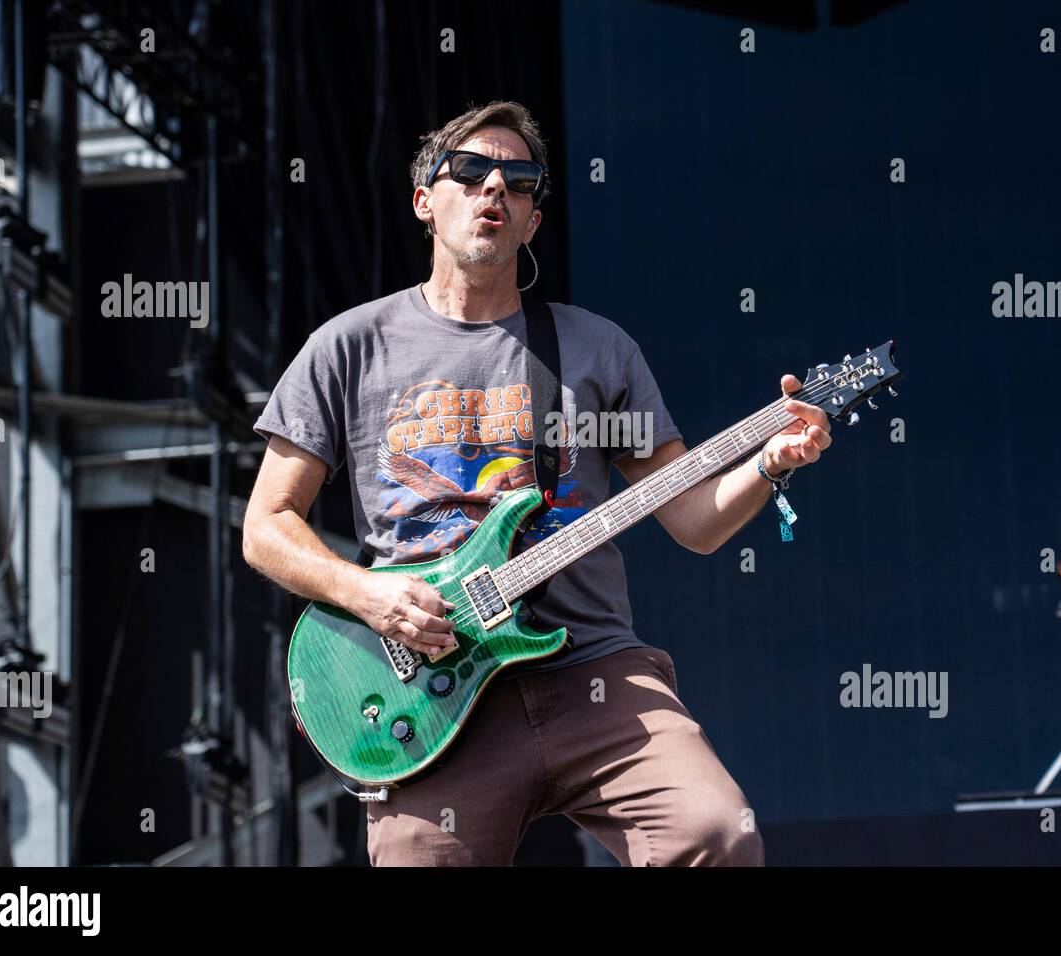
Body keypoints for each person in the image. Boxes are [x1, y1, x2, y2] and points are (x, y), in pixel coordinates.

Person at [242, 100, 832, 866]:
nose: (497, 190)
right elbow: (266, 526)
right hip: (433, 685)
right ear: (425, 200)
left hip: (592, 667)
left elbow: (693, 519)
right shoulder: (349, 348)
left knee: (716, 836)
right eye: (473, 172)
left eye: (520, 182)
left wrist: (768, 462)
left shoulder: (594, 349)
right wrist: (368, 595)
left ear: (532, 223)